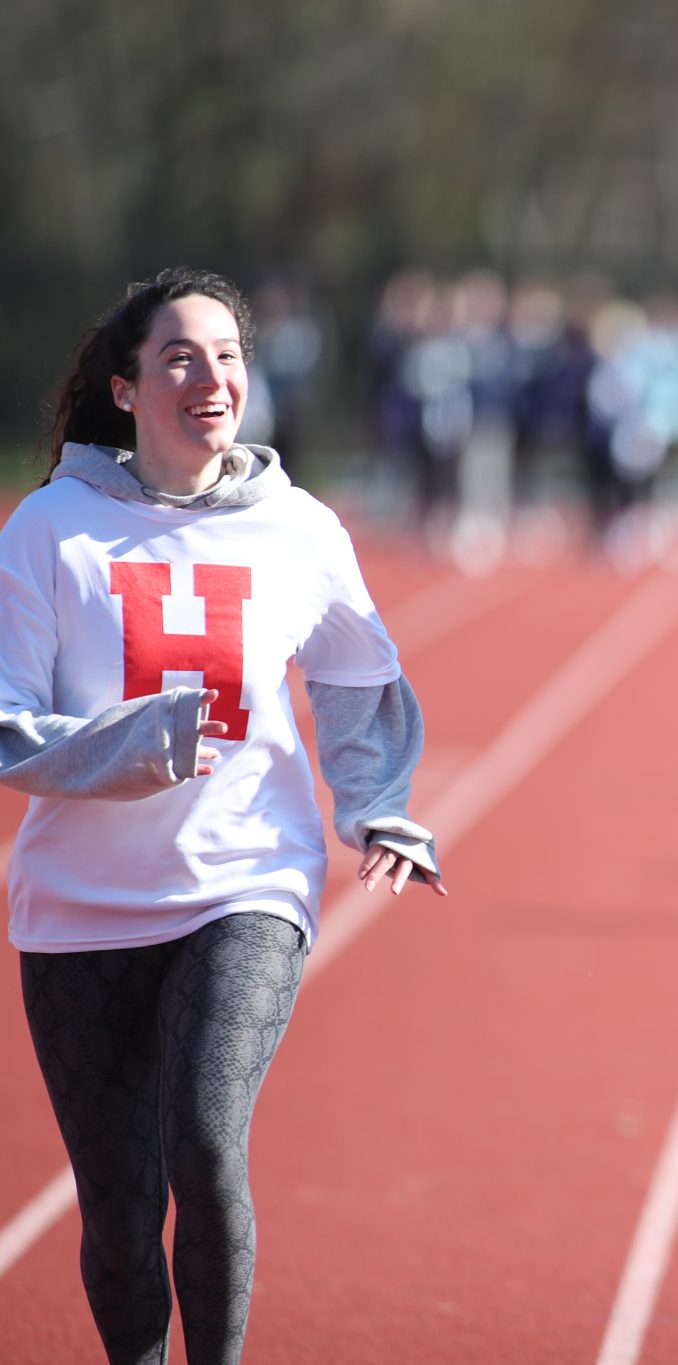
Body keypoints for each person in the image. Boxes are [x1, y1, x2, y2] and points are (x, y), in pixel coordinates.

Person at [2, 267, 447, 1364]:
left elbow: (357, 682)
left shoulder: (299, 528)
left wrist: (379, 806)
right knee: (114, 1216)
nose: (213, 377)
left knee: (204, 1143)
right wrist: (133, 746)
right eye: (182, 358)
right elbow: (6, 724)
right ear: (126, 387)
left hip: (247, 879)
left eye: (230, 357)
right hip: (82, 908)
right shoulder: (51, 530)